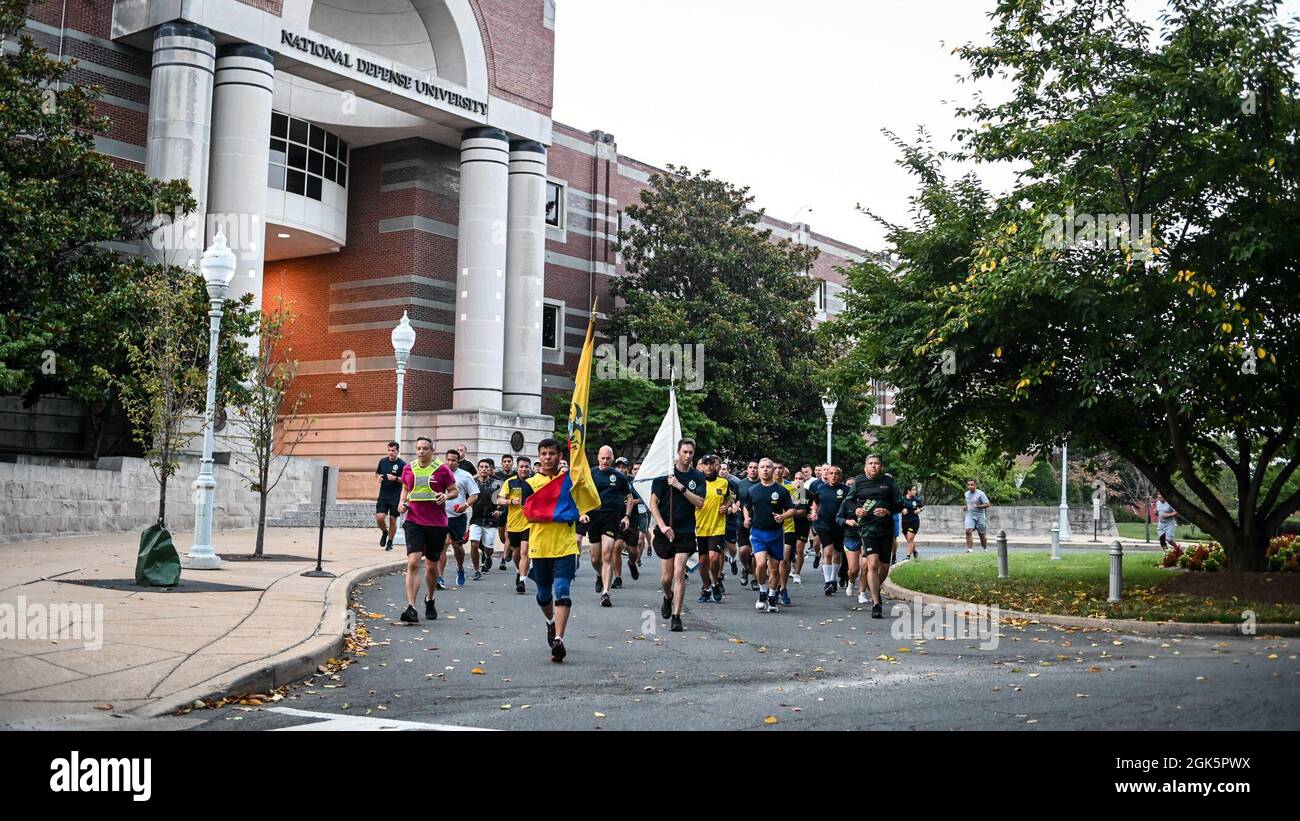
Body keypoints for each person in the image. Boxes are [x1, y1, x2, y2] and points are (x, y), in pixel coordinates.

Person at [518, 438, 581, 662]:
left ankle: (560, 640)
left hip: (565, 546)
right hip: (540, 547)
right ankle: (550, 622)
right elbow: (531, 512)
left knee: (563, 591)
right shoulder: (530, 483)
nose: (547, 457)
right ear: (539, 456)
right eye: (543, 453)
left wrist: (573, 512)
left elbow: (580, 504)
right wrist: (562, 512)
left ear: (559, 456)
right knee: (544, 596)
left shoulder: (569, 482)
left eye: (552, 453)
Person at [396, 436, 458, 623]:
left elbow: (454, 490)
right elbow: (406, 489)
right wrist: (401, 503)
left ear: (432, 451)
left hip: (436, 524)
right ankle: (411, 607)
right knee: (413, 562)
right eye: (419, 448)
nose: (421, 451)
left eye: (425, 448)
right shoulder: (408, 468)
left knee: (431, 567)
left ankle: (430, 599)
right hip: (414, 521)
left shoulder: (442, 469)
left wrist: (446, 496)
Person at [650, 438, 707, 632]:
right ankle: (668, 596)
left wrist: (680, 486)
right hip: (666, 531)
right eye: (685, 452)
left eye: (691, 453)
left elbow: (700, 502)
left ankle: (676, 616)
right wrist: (662, 525)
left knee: (679, 571)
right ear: (678, 452)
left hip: (685, 531)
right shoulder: (663, 475)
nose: (688, 456)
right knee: (666, 579)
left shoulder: (697, 477)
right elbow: (653, 503)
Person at [847, 454, 903, 617]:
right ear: (865, 466)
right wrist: (856, 510)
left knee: (884, 566)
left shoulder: (889, 482)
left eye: (876, 463)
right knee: (872, 564)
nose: (873, 466)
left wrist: (887, 510)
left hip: (885, 529)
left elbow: (899, 504)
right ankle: (876, 603)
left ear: (881, 466)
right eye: (870, 463)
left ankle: (874, 588)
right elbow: (849, 501)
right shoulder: (859, 481)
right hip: (867, 528)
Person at [583, 446, 636, 607]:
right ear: (598, 458)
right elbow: (580, 493)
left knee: (608, 553)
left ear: (612, 458)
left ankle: (606, 592)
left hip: (611, 518)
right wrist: (582, 512)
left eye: (608, 458)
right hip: (593, 517)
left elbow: (629, 497)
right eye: (602, 458)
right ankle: (600, 575)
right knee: (595, 558)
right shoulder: (591, 474)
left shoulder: (618, 477)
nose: (605, 461)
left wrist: (626, 516)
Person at [742, 458, 794, 613]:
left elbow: (792, 509)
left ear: (774, 470)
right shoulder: (752, 490)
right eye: (762, 467)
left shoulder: (782, 491)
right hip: (758, 532)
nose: (765, 470)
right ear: (758, 470)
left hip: (776, 533)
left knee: (775, 568)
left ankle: (772, 595)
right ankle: (762, 591)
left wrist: (783, 517)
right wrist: (746, 518)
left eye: (768, 467)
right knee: (760, 564)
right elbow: (746, 507)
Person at [435, 449, 478, 589]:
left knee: (457, 546)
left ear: (458, 462)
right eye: (448, 459)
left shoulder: (465, 476)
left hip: (458, 517)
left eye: (453, 460)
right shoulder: (438, 473)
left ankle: (460, 568)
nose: (450, 462)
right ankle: (440, 578)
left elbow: (474, 494)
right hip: (441, 516)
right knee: (443, 545)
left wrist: (465, 505)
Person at [808, 465, 851, 596]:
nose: (833, 476)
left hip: (840, 525)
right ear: (827, 475)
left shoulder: (846, 490)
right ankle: (827, 582)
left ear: (840, 476)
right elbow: (815, 501)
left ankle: (833, 579)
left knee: (837, 554)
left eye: (836, 474)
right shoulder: (821, 488)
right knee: (827, 551)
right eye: (831, 473)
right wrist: (814, 512)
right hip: (824, 524)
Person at [694, 454, 731, 604]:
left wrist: (726, 506)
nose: (709, 466)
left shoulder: (723, 483)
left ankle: (715, 582)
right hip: (700, 527)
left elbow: (729, 498)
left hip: (717, 527)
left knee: (714, 558)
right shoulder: (696, 482)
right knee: (703, 561)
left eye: (712, 463)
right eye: (706, 463)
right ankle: (706, 586)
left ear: (716, 465)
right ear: (702, 466)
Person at [497, 457, 533, 593]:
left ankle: (522, 580)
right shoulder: (510, 482)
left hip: (529, 524)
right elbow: (500, 499)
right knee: (516, 553)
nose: (524, 469)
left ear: (530, 468)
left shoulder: (534, 483)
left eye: (526, 467)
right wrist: (511, 502)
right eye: (521, 467)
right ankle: (519, 570)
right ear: (517, 468)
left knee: (525, 552)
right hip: (513, 524)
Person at [469, 458, 503, 579]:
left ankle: (488, 556)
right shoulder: (472, 482)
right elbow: (466, 496)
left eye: (486, 467)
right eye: (481, 467)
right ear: (478, 469)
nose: (483, 469)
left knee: (488, 548)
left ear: (490, 469)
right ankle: (477, 570)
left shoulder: (497, 483)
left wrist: (499, 511)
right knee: (474, 543)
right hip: (476, 519)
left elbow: (501, 500)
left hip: (490, 520)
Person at [374, 441, 406, 550]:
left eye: (393, 451)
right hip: (383, 495)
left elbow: (406, 481)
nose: (390, 453)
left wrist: (396, 478)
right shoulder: (383, 461)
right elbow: (377, 473)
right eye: (389, 450)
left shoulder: (402, 465)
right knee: (380, 517)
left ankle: (390, 542)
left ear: (397, 451)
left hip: (396, 496)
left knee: (393, 519)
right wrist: (377, 477)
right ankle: (384, 532)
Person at [736, 460, 760, 590]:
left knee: (757, 553)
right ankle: (745, 568)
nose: (753, 470)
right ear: (747, 469)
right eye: (750, 467)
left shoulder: (762, 483)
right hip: (742, 520)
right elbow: (733, 500)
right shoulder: (741, 484)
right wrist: (733, 506)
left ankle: (756, 579)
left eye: (755, 468)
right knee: (744, 550)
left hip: (759, 521)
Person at [720, 461, 742, 576]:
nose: (722, 471)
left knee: (732, 547)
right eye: (720, 468)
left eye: (724, 469)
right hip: (718, 518)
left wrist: (734, 506)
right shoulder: (713, 481)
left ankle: (732, 559)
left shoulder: (734, 482)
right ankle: (720, 572)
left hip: (731, 518)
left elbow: (738, 498)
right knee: (719, 547)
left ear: (728, 470)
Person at [964, 479, 991, 552]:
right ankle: (970, 550)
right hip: (970, 515)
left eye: (972, 485)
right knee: (968, 531)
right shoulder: (966, 494)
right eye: (968, 485)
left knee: (981, 534)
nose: (970, 486)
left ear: (975, 485)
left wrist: (978, 506)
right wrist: (965, 507)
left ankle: (985, 549)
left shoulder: (981, 494)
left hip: (980, 516)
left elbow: (987, 504)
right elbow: (967, 502)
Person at [900, 485, 924, 561]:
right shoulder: (902, 499)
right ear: (908, 491)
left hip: (914, 522)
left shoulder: (916, 499)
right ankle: (915, 551)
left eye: (915, 490)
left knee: (910, 539)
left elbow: (922, 507)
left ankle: (907, 557)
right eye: (913, 490)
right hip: (905, 523)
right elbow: (897, 507)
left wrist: (919, 510)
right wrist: (902, 509)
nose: (915, 491)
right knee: (909, 539)